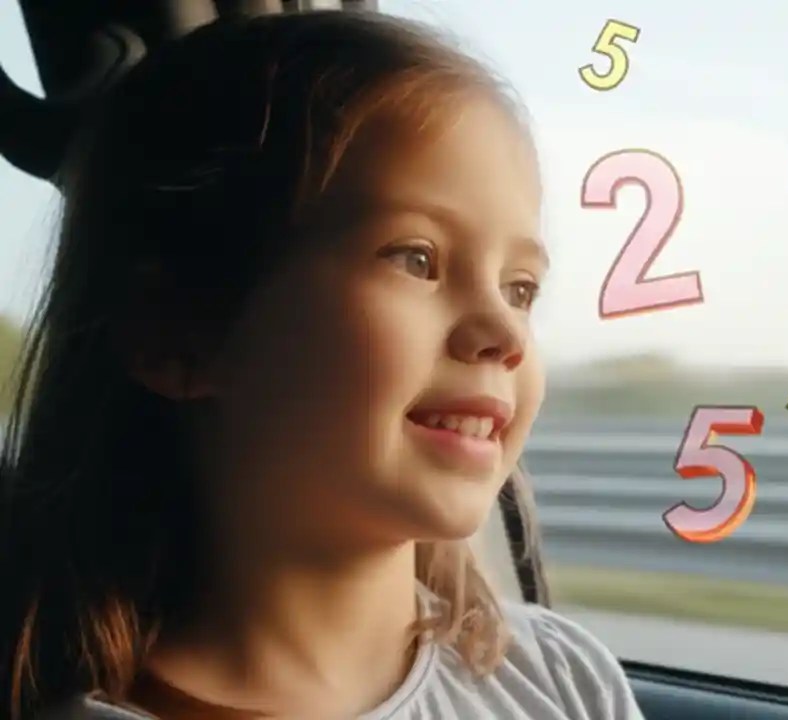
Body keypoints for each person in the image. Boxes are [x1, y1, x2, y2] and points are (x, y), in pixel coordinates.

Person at [0, 11, 645, 720]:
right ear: (175, 333)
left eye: (521, 289)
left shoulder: (562, 679)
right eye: (416, 259)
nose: (504, 331)